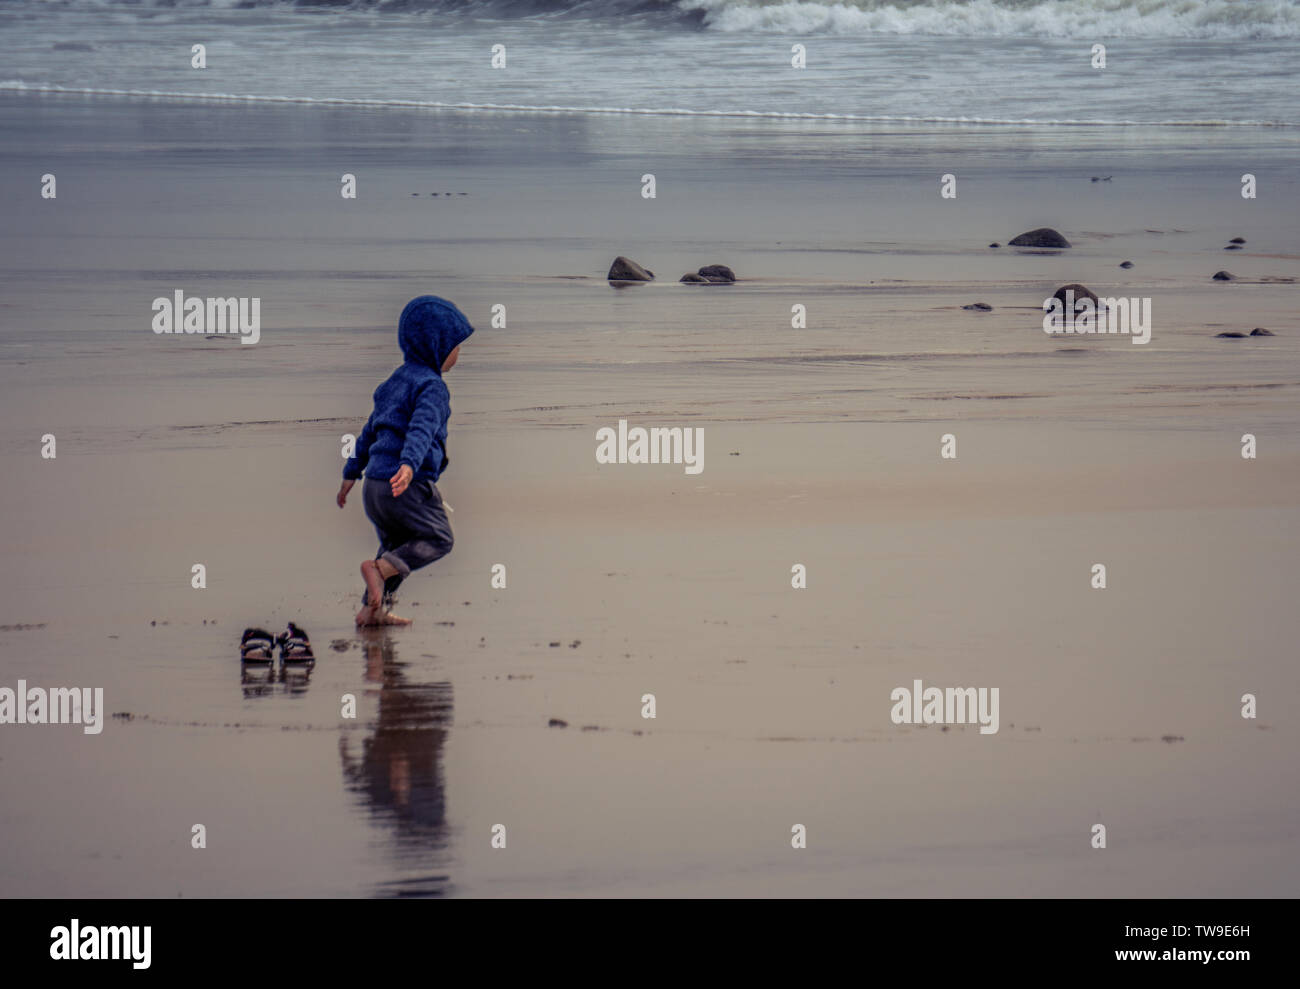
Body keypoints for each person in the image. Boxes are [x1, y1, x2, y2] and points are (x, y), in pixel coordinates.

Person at [337, 295, 473, 626]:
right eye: (455, 344)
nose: (459, 353)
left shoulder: (393, 383)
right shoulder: (432, 387)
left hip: (374, 488)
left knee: (399, 549)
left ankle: (372, 611)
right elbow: (421, 429)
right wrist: (410, 464)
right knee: (438, 539)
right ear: (437, 345)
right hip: (405, 485)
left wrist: (350, 473)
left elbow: (370, 430)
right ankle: (376, 569)